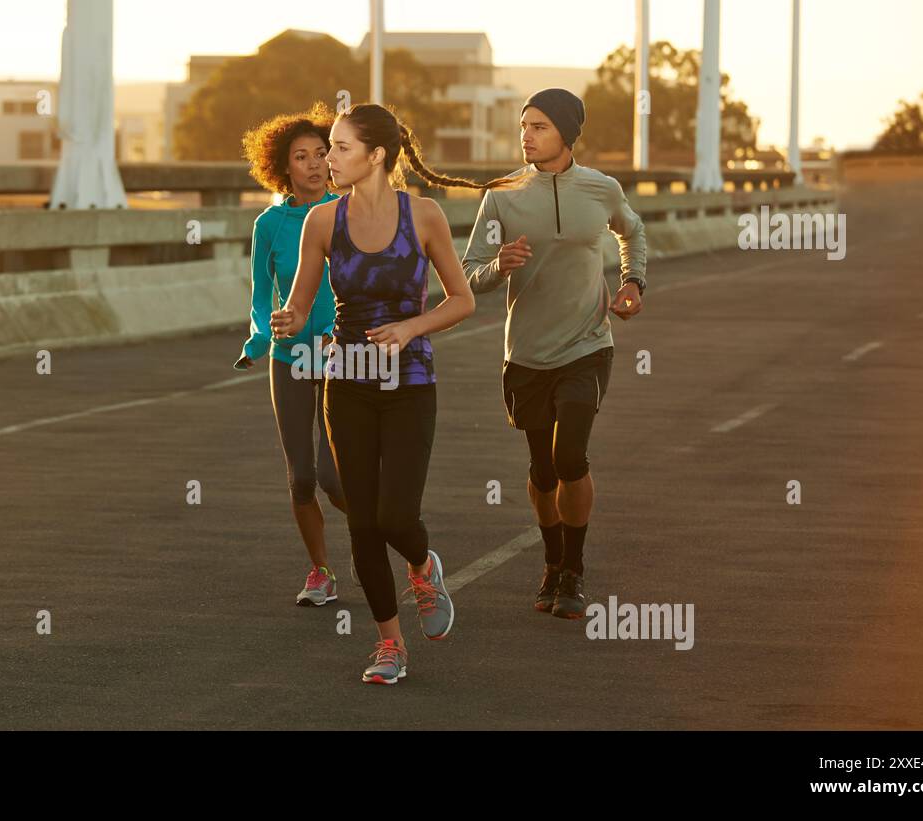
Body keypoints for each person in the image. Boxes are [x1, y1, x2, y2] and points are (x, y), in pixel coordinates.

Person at [270, 103, 477, 684]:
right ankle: (390, 644)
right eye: (328, 148)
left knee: (395, 515)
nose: (328, 159)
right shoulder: (323, 222)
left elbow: (462, 300)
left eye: (339, 148)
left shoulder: (425, 216)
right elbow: (302, 304)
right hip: (348, 384)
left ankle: (421, 564)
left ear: (376, 155)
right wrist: (287, 319)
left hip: (410, 385)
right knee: (362, 522)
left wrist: (411, 327)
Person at [461, 88, 648, 620]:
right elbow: (469, 271)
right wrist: (500, 265)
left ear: (567, 133)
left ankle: (573, 570)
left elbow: (632, 232)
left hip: (588, 345)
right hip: (526, 354)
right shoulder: (502, 195)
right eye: (523, 125)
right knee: (542, 470)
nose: (527, 135)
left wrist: (633, 283)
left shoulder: (600, 188)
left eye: (539, 126)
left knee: (572, 459)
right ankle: (550, 561)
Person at [234, 103, 352, 607]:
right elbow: (261, 296)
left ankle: (381, 536)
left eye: (321, 153)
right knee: (302, 478)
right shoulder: (270, 225)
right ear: (282, 166)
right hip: (290, 358)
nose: (311, 163)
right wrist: (261, 338)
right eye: (300, 156)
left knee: (334, 477)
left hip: (344, 357)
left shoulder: (348, 215)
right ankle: (321, 570)